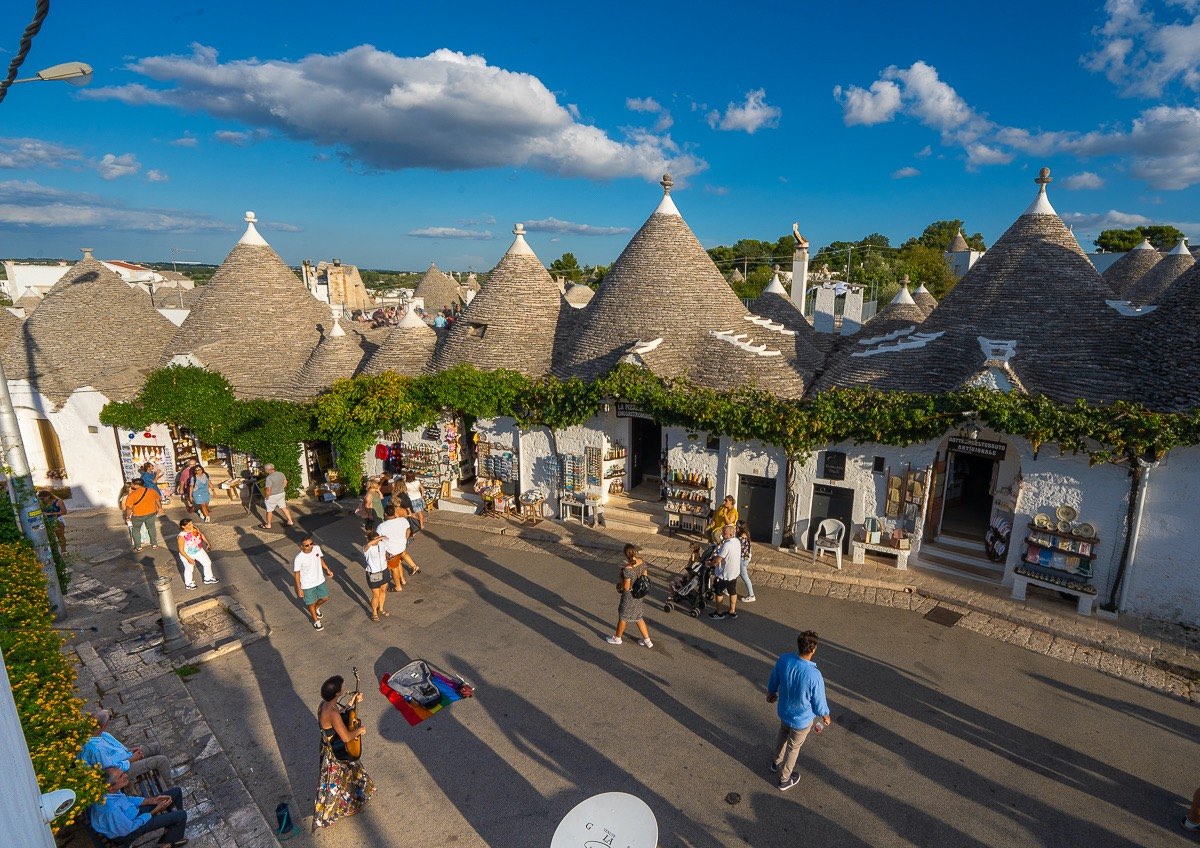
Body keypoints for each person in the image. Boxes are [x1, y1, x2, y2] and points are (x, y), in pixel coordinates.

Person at [767, 630, 831, 791]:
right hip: (801, 719)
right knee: (793, 747)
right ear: (813, 649)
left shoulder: (785, 659)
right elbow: (818, 702)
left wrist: (771, 692)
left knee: (782, 733)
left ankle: (776, 761)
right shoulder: (814, 675)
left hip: (784, 710)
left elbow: (774, 677)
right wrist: (825, 715)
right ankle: (784, 779)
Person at [314, 675, 375, 829]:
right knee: (340, 780)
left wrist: (352, 702)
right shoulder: (331, 712)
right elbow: (347, 737)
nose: (344, 687)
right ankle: (344, 808)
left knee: (347, 775)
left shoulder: (325, 704)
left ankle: (352, 800)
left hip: (330, 744)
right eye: (341, 687)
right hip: (335, 751)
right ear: (336, 693)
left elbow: (339, 715)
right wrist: (360, 730)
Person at [90, 766, 188, 847]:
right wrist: (153, 812)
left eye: (122, 773)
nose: (126, 775)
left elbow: (126, 799)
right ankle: (169, 844)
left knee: (176, 792)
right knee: (181, 815)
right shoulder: (111, 809)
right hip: (129, 831)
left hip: (133, 814)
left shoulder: (109, 792)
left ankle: (170, 833)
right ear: (110, 787)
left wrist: (151, 800)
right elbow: (128, 828)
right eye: (121, 776)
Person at [80, 709, 172, 786]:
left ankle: (163, 772)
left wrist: (130, 751)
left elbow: (115, 749)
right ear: (104, 725)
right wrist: (132, 759)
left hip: (126, 757)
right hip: (123, 770)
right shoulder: (96, 750)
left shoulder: (102, 735)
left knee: (156, 746)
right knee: (162, 760)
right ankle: (169, 783)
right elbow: (111, 771)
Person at [605, 543, 653, 648]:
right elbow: (645, 576)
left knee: (623, 617)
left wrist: (621, 581)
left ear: (626, 555)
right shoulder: (642, 562)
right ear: (635, 552)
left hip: (629, 597)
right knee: (639, 617)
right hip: (639, 595)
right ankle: (648, 641)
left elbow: (626, 587)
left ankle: (617, 638)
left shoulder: (627, 569)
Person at [376, 504, 420, 593]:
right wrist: (405, 539)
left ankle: (398, 586)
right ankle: (402, 579)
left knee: (394, 568)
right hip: (402, 546)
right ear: (394, 512)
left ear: (385, 514)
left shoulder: (381, 526)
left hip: (391, 551)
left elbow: (377, 540)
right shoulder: (403, 520)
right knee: (398, 561)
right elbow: (408, 530)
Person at [293, 537, 334, 630]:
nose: (310, 546)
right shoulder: (299, 558)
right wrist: (299, 589)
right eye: (307, 545)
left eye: (311, 543)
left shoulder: (316, 548)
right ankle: (316, 621)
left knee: (325, 598)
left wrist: (327, 569)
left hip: (320, 580)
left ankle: (316, 608)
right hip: (307, 584)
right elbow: (297, 574)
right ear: (301, 547)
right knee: (311, 603)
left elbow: (319, 558)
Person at [708, 523, 742, 620]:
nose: (722, 534)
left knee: (718, 592)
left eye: (724, 533)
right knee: (732, 591)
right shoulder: (736, 541)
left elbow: (718, 560)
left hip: (724, 574)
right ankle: (732, 611)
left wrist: (710, 564)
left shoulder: (727, 545)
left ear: (730, 534)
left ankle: (719, 613)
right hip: (734, 573)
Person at [122, 479, 163, 552]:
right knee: (151, 528)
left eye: (132, 484)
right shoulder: (152, 491)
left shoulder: (132, 495)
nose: (131, 485)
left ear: (136, 485)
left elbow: (129, 508)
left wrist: (127, 517)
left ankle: (138, 547)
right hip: (151, 513)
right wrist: (160, 508)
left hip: (138, 515)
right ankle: (154, 544)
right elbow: (157, 500)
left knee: (136, 530)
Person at [176, 518, 216, 590]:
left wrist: (207, 543)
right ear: (183, 526)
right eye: (189, 524)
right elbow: (181, 550)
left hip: (198, 550)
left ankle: (208, 578)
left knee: (207, 563)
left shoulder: (194, 529)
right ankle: (188, 583)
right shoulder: (181, 536)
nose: (192, 525)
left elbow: (201, 534)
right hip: (187, 554)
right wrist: (189, 559)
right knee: (189, 569)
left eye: (191, 523)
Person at [361, 531, 391, 622]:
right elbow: (369, 544)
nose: (377, 541)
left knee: (383, 591)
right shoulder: (367, 548)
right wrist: (381, 538)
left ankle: (381, 609)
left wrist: (388, 556)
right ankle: (374, 612)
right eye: (376, 539)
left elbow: (385, 552)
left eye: (378, 539)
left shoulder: (381, 544)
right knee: (376, 595)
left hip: (384, 570)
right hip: (374, 573)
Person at [259, 463, 295, 530]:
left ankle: (268, 525)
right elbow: (285, 482)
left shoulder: (269, 478)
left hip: (272, 496)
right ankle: (290, 521)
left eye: (265, 470)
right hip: (281, 493)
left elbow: (268, 489)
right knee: (283, 507)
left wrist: (267, 497)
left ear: (267, 470)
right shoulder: (281, 473)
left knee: (269, 510)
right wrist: (282, 488)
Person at [736, 520, 756, 603]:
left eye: (737, 527)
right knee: (735, 574)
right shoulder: (747, 534)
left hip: (742, 559)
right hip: (745, 558)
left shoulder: (741, 538)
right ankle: (727, 588)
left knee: (745, 577)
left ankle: (751, 595)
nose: (736, 528)